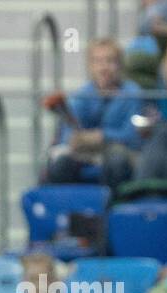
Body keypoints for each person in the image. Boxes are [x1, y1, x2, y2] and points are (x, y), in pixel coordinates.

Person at [46, 38, 144, 191]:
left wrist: (101, 136)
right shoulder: (82, 95)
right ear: (90, 66)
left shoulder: (133, 92)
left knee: (116, 162)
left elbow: (134, 137)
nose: (104, 67)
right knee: (60, 166)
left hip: (121, 152)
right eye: (98, 61)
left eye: (110, 61)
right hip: (86, 153)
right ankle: (69, 212)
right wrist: (76, 139)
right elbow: (68, 134)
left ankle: (113, 211)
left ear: (120, 65)